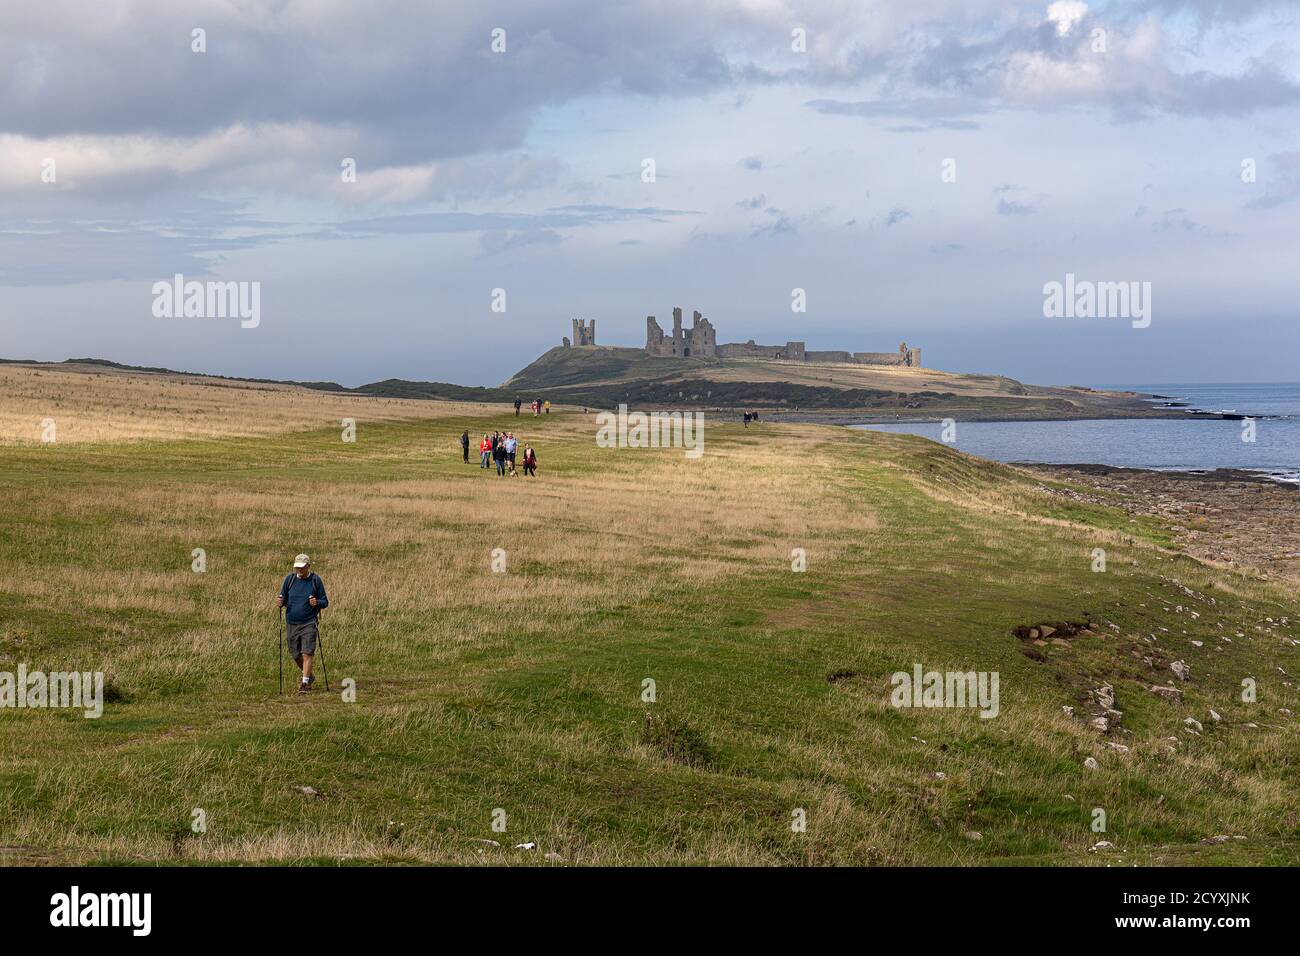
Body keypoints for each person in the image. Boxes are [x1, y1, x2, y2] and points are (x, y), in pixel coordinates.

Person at [275, 554, 329, 694]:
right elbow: (283, 598)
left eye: (302, 567)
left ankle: (304, 683)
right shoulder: (290, 579)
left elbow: (325, 602)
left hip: (309, 622)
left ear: (308, 566)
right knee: (295, 653)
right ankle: (309, 676)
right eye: (297, 567)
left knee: (307, 653)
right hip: (291, 622)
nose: (299, 569)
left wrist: (316, 602)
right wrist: (280, 603)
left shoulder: (315, 580)